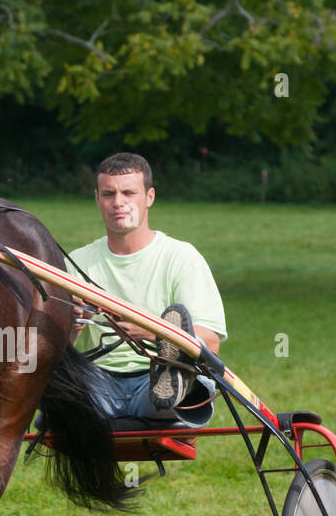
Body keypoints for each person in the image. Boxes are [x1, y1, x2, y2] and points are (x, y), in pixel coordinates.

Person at [70, 152, 227, 425]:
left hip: (154, 376)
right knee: (64, 388)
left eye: (129, 193)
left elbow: (210, 343)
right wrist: (72, 325)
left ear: (149, 197)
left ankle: (173, 375)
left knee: (165, 391)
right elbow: (48, 349)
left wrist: (151, 332)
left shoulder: (181, 257)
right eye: (108, 194)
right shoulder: (75, 263)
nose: (118, 203)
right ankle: (169, 385)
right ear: (97, 199)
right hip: (96, 380)